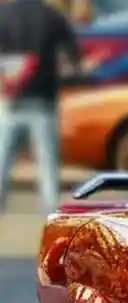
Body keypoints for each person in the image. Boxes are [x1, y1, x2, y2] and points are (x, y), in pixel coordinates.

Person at [0, 0, 81, 214]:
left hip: (10, 100)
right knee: (47, 166)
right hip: (43, 100)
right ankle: (50, 217)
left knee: (2, 162)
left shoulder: (4, 15)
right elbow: (71, 55)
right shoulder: (52, 16)